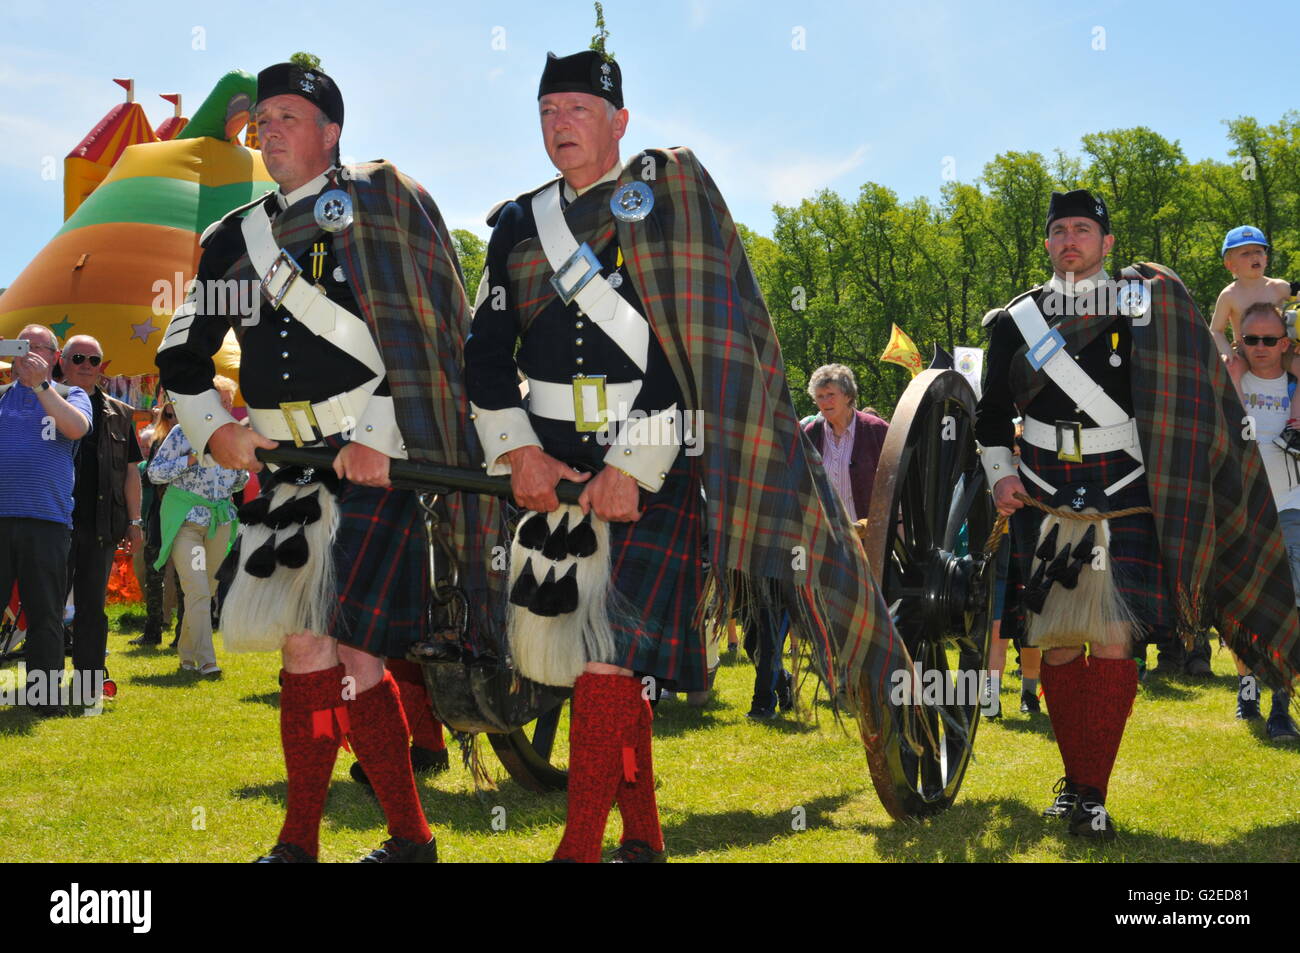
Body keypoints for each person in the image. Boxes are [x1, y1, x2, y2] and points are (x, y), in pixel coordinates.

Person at [464, 40, 889, 862]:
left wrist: (636, 463)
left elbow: (697, 342)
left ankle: (577, 849)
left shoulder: (663, 201)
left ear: (620, 120)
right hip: (548, 471)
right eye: (548, 111)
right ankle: (644, 839)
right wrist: (518, 451)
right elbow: (484, 348)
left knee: (608, 666)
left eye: (580, 110)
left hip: (652, 461)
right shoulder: (518, 223)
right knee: (607, 668)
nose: (561, 125)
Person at [157, 56, 483, 862]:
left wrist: (381, 431)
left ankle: (379, 838)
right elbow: (183, 354)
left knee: (350, 647)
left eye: (287, 119)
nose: (268, 131)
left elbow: (433, 331)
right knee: (311, 647)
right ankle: (329, 840)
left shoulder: (380, 204)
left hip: (374, 462)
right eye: (261, 121)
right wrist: (216, 430)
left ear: (331, 132)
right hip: (285, 474)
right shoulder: (234, 240)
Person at [976, 189, 1299, 840]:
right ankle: (1079, 781)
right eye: (1060, 230)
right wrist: (1001, 476)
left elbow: (1189, 377)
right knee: (1062, 641)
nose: (1071, 240)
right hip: (1043, 484)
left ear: (1106, 243)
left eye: (1084, 230)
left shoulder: (1141, 306)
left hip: (1124, 483)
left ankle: (1092, 786)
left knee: (1117, 636)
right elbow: (989, 416)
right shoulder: (1015, 319)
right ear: (1046, 243)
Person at [0, 325, 92, 715]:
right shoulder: (2, 397)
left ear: (55, 357)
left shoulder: (72, 394)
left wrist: (41, 388)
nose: (30, 354)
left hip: (47, 520)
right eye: (23, 346)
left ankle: (44, 698)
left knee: (45, 613)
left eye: (39, 348)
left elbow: (77, 428)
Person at [1224, 302, 1300, 740]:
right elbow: (1226, 434)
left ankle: (1280, 706)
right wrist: (1233, 379)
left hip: (1291, 509)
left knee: (1287, 608)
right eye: (1251, 339)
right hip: (1242, 510)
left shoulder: (1296, 386)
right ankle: (1247, 687)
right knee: (1244, 608)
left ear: (1285, 342)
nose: (1261, 347)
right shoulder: (1228, 381)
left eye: (1270, 339)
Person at [61, 334, 144, 705]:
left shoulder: (120, 414)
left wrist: (136, 520)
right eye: (78, 357)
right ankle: (42, 680)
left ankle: (89, 682)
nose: (86, 365)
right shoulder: (44, 402)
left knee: (93, 608)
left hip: (100, 524)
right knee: (46, 604)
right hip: (54, 522)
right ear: (62, 362)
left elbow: (131, 473)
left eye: (94, 359)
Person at [146, 376, 247, 676]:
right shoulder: (181, 432)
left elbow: (239, 480)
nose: (226, 407)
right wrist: (190, 460)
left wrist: (240, 465)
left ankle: (187, 655)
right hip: (186, 522)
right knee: (197, 590)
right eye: (221, 401)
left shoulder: (235, 435)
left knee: (207, 591)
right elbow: (155, 473)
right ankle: (207, 660)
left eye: (229, 402)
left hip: (221, 522)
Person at [803, 364, 889, 522]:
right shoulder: (811, 433)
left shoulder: (876, 430)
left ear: (848, 396)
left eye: (830, 394)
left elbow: (895, 483)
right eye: (820, 396)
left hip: (871, 535)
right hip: (829, 535)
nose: (825, 401)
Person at [130, 400, 182, 647]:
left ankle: (183, 632)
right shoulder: (159, 442)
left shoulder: (193, 441)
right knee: (154, 574)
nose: (173, 420)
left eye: (177, 415)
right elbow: (151, 476)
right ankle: (153, 631)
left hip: (185, 514)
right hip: (159, 515)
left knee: (184, 578)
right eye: (168, 415)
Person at [1209, 226, 1295, 364]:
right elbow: (1216, 330)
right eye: (1245, 253)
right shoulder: (1229, 295)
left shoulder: (1280, 287)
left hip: (1280, 350)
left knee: (1297, 363)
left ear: (1265, 259)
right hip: (1246, 353)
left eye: (1258, 251)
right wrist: (1226, 351)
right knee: (1233, 368)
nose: (1254, 256)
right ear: (1230, 265)